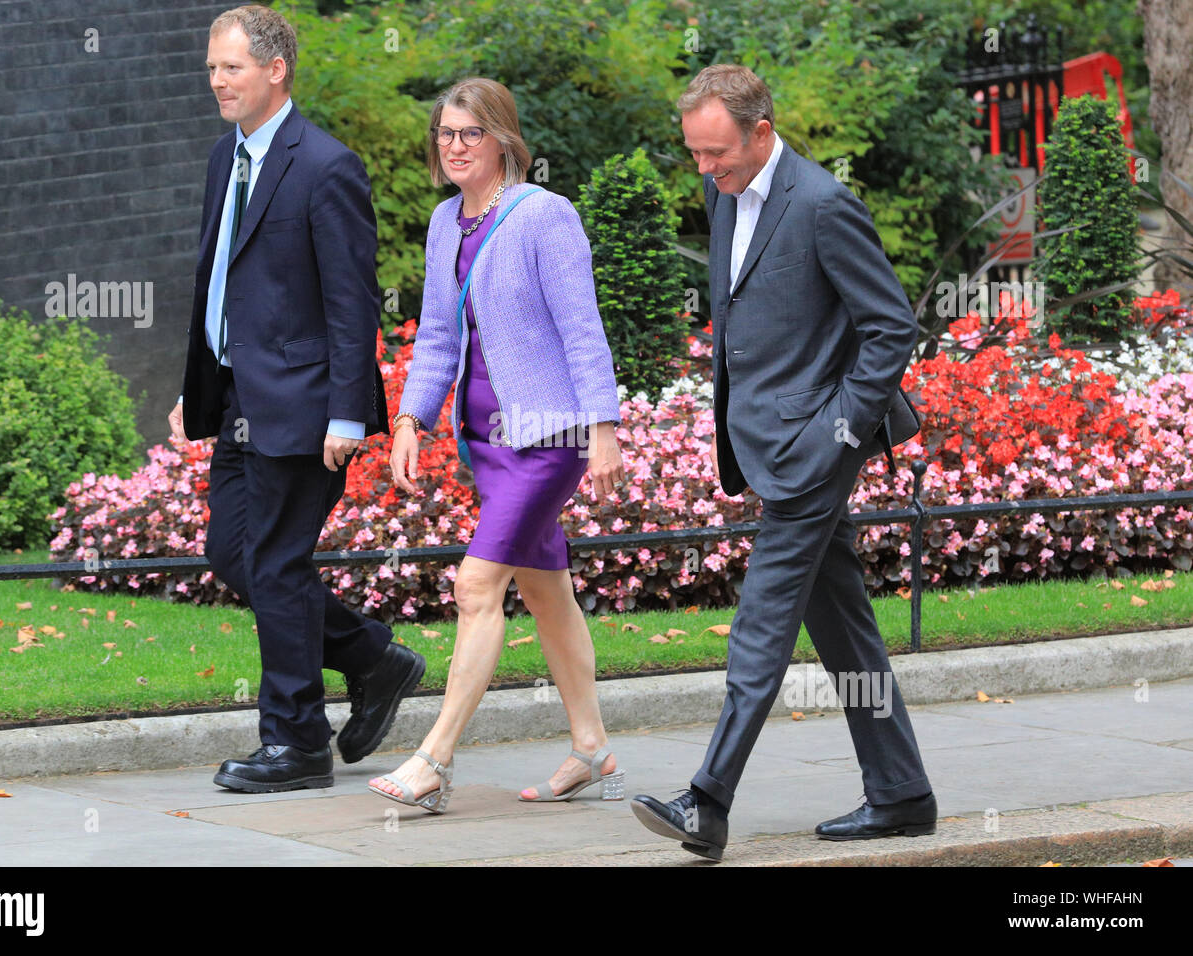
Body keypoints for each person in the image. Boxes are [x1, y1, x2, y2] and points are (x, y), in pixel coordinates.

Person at [630, 65, 935, 860]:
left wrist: (839, 431)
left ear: (761, 132)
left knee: (760, 628)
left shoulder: (825, 203)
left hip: (813, 451)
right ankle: (902, 792)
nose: (705, 169)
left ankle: (708, 799)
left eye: (717, 153)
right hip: (771, 441)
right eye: (695, 154)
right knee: (843, 628)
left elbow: (891, 327)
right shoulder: (723, 190)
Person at [168, 4, 424, 793]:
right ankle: (370, 657)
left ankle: (295, 745)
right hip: (238, 397)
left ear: (275, 70)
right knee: (233, 555)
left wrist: (349, 413)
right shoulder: (225, 159)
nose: (217, 79)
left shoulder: (325, 167)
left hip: (306, 405)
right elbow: (222, 282)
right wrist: (196, 385)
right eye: (213, 66)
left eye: (231, 67)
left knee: (275, 565)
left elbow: (351, 304)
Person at [367, 77, 626, 813]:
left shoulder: (546, 216)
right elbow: (439, 336)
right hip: (486, 441)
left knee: (477, 586)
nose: (453, 147)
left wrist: (603, 429)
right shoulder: (446, 222)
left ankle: (432, 759)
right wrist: (412, 421)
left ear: (503, 139)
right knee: (547, 592)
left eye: (469, 134)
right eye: (444, 135)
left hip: (547, 439)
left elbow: (582, 328)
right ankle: (591, 746)